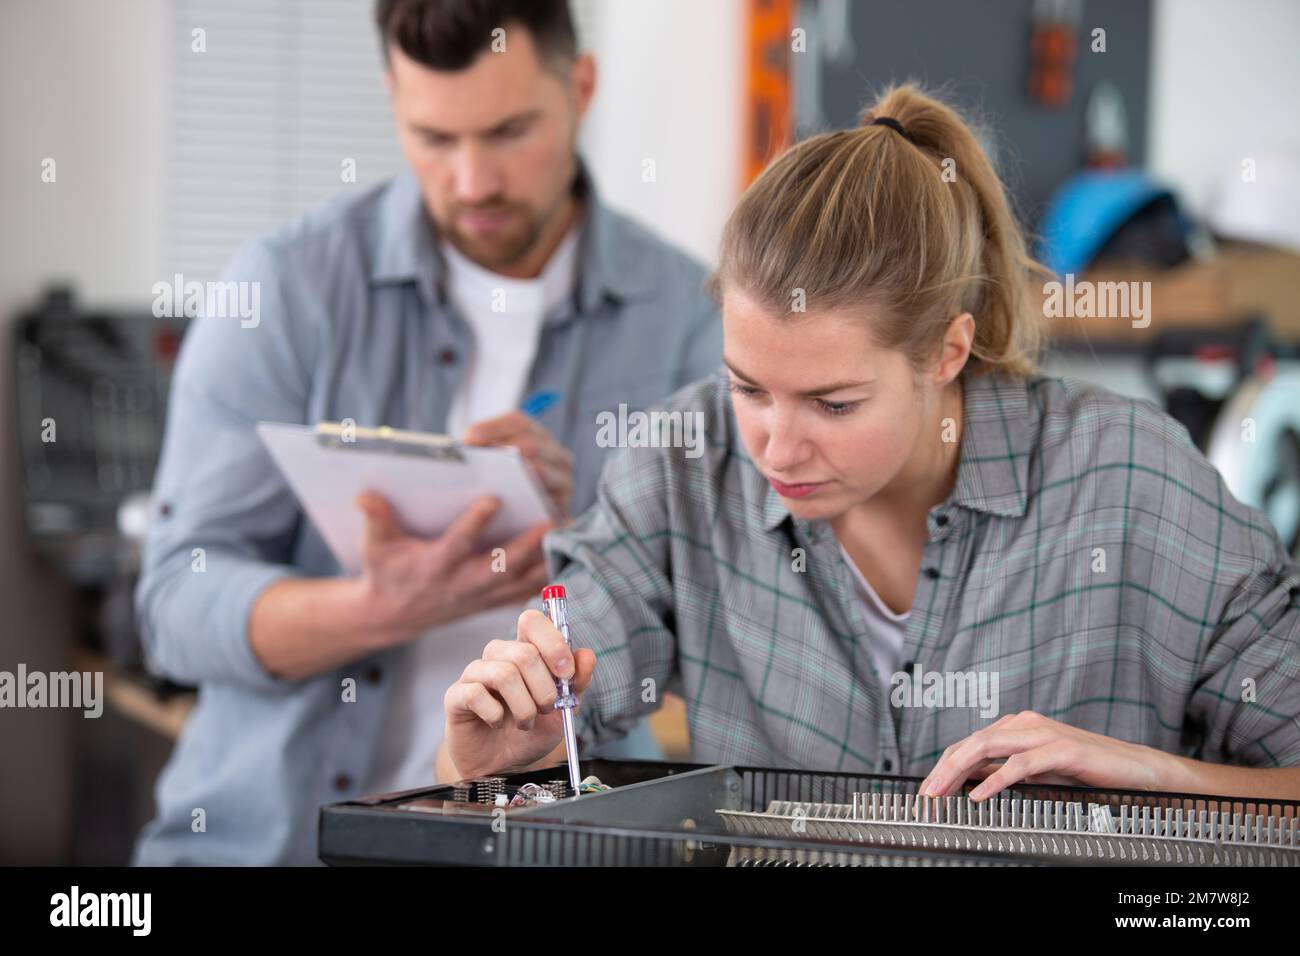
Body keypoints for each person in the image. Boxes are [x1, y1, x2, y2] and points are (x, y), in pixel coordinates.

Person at [438, 83, 1300, 801]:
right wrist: (487, 763)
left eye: (833, 403)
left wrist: (1155, 774)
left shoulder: (1131, 481)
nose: (775, 449)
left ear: (945, 352)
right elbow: (547, 710)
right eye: (749, 388)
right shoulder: (684, 464)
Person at [133, 0, 720, 865]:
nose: (474, 180)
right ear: (392, 100)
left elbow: (725, 623)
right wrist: (377, 608)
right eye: (434, 139)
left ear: (581, 87)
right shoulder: (285, 289)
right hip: (267, 842)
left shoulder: (687, 321)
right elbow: (173, 608)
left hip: (550, 844)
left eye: (510, 130)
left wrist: (587, 552)